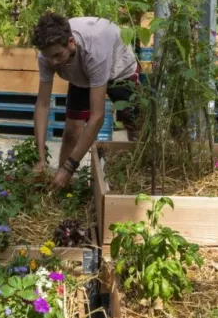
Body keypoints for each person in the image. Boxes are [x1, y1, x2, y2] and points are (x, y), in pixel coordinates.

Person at [31, 13, 141, 190]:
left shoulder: (94, 50)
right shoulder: (47, 57)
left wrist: (70, 167)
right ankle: (60, 188)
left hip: (119, 70)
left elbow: (97, 117)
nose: (53, 62)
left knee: (135, 125)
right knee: (72, 131)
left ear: (71, 42)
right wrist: (41, 157)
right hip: (81, 75)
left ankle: (135, 179)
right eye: (49, 56)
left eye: (58, 55)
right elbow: (42, 105)